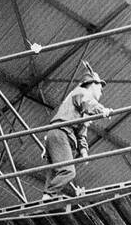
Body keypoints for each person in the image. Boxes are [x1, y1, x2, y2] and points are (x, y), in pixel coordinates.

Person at [42, 71, 113, 201]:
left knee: (56, 172)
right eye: (100, 88)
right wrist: (102, 110)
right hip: (61, 133)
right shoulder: (81, 92)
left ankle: (47, 197)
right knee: (68, 171)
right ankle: (50, 194)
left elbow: (81, 133)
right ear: (92, 84)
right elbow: (89, 103)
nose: (101, 92)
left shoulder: (82, 109)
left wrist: (84, 151)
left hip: (59, 135)